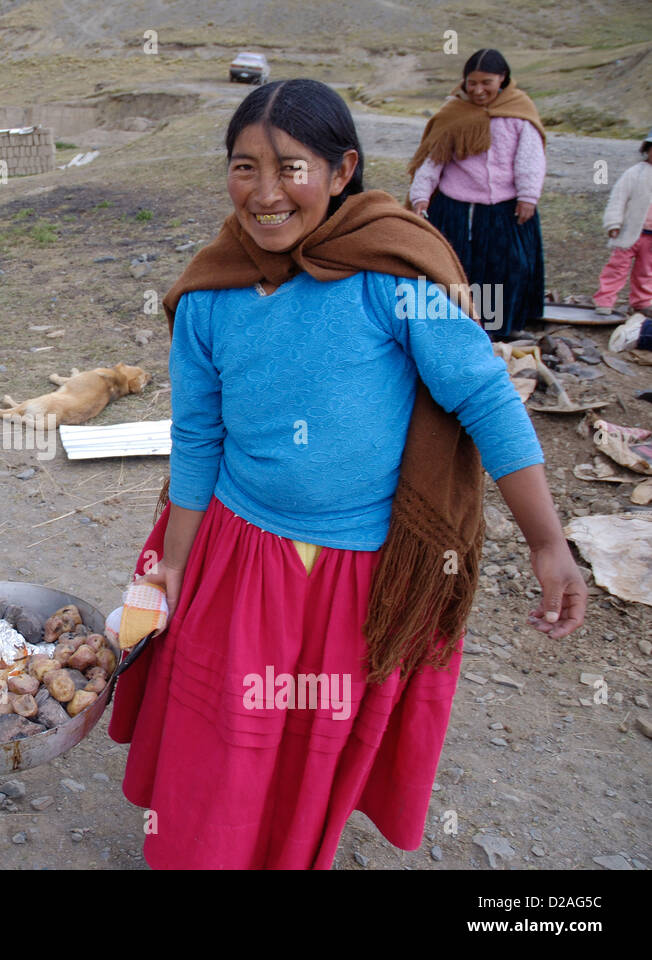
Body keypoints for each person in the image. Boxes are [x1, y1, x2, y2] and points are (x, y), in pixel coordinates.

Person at [108, 79, 586, 870]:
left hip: (354, 570)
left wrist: (548, 542)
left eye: (291, 168)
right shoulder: (209, 293)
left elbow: (484, 398)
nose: (265, 194)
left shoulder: (392, 277)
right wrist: (172, 566)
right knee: (225, 729)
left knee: (305, 737)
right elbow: (197, 439)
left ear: (342, 171)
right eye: (244, 167)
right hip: (239, 549)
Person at [407, 49, 547, 340]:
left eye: (487, 82)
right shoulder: (453, 113)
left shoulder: (519, 111)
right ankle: (454, 324)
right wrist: (421, 197)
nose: (478, 90)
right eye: (472, 83)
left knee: (506, 265)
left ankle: (498, 327)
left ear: (503, 79)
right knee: (455, 264)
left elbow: (530, 158)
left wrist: (528, 196)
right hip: (454, 206)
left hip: (504, 207)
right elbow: (432, 160)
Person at [594, 128, 652, 333]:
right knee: (617, 267)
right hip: (629, 232)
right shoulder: (635, 173)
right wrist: (613, 224)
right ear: (646, 150)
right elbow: (618, 199)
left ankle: (642, 301)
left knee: (646, 271)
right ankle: (605, 300)